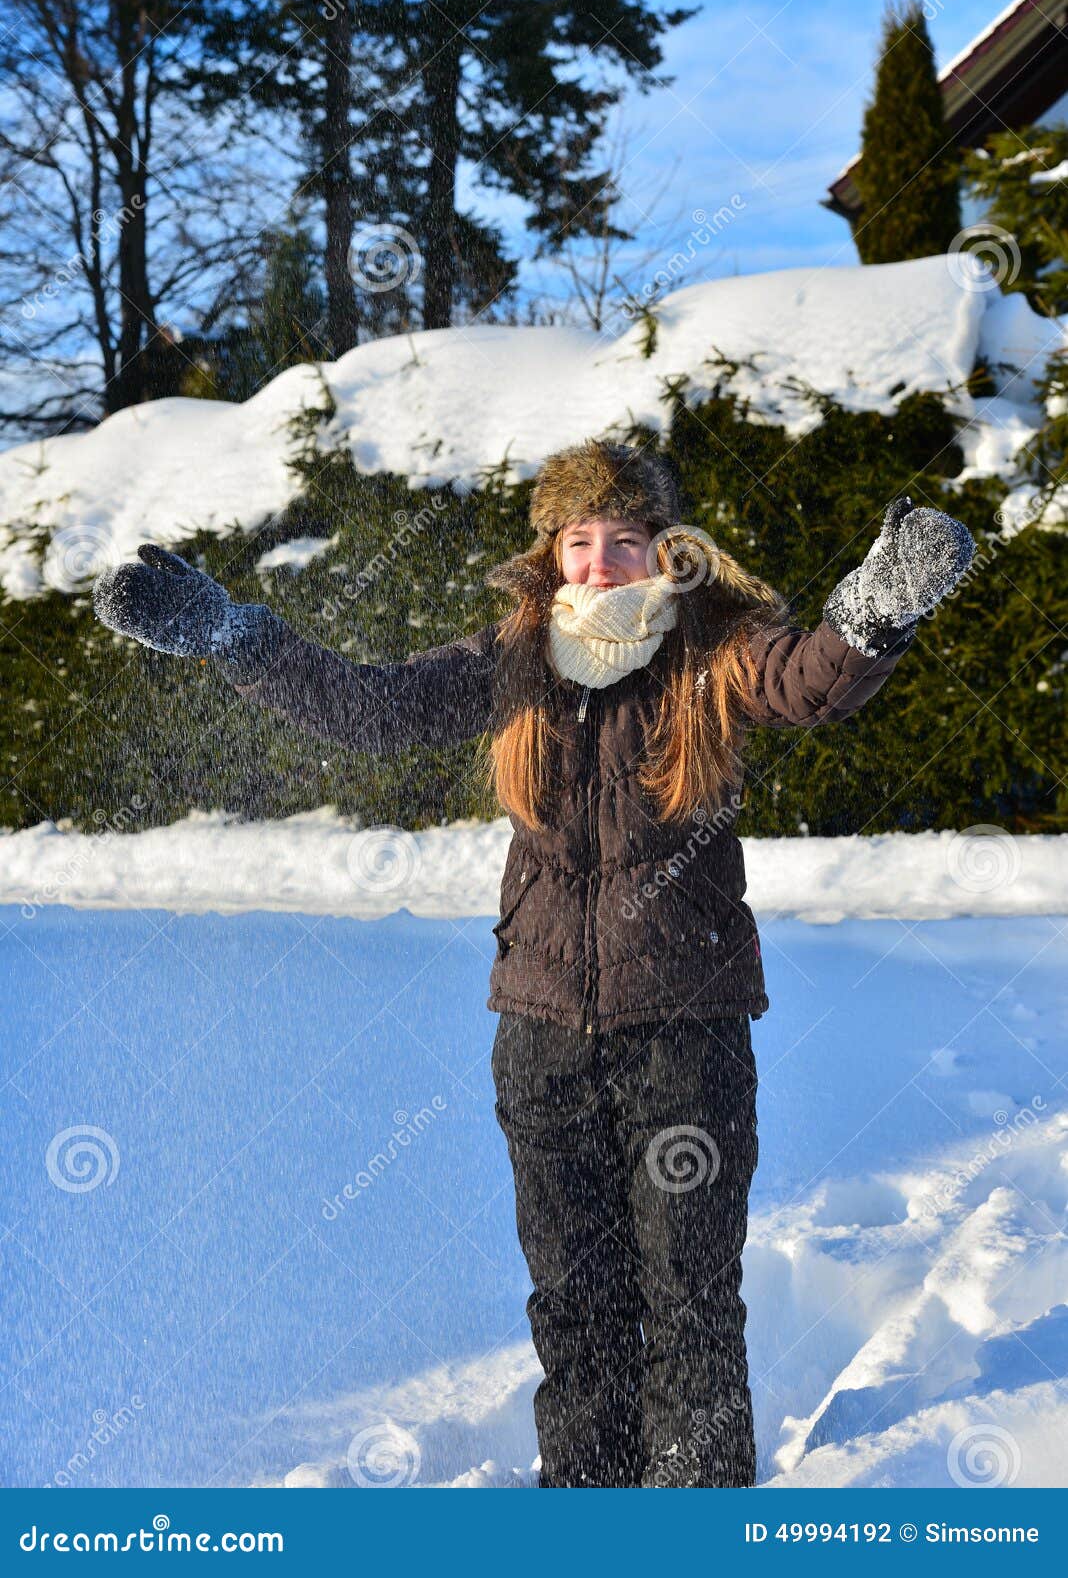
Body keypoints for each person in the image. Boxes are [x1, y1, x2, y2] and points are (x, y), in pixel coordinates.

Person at [92, 437, 975, 1488]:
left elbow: (808, 683)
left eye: (624, 539)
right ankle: (583, 1512)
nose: (600, 562)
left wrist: (877, 608)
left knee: (688, 1296)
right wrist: (234, 636)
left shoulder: (710, 647)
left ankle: (695, 1526)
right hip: (541, 1039)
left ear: (666, 550)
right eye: (579, 540)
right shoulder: (517, 656)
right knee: (571, 1297)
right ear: (553, 554)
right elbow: (371, 708)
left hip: (682, 1034)